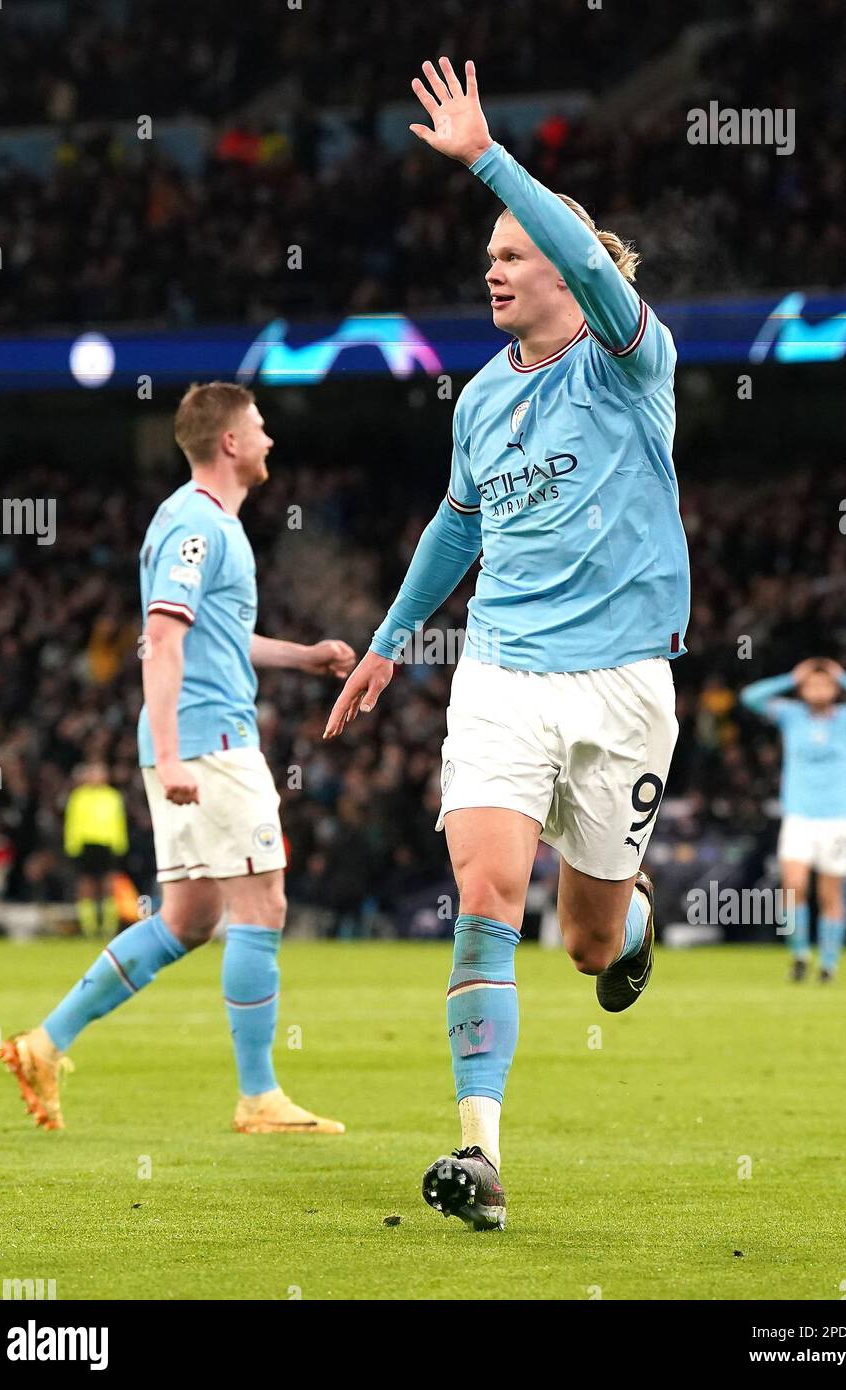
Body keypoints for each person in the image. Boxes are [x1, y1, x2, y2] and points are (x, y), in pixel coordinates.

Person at [325, 59, 689, 1230]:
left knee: (585, 943)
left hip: (622, 682)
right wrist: (389, 639)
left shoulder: (628, 362)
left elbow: (584, 254)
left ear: (566, 272)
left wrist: (486, 156)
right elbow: (456, 525)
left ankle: (631, 921)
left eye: (513, 253)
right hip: (499, 676)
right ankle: (477, 1151)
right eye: (487, 253)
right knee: (484, 894)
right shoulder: (478, 399)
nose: (492, 266)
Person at [0, 382, 356, 1134]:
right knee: (263, 903)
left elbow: (213, 637)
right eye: (258, 427)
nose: (268, 439)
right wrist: (171, 755)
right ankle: (258, 1097)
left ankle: (45, 1043)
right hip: (209, 743)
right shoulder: (199, 524)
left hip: (193, 740)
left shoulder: (196, 521)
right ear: (229, 441)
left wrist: (304, 656)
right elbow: (161, 639)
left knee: (190, 917)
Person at [739, 659, 846, 983]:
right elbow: (750, 696)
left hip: (837, 818)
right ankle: (799, 955)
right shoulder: (790, 715)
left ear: (835, 689)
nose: (818, 689)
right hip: (799, 815)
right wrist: (791, 676)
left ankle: (828, 964)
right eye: (811, 684)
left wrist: (843, 675)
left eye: (825, 684)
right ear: (802, 689)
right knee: (793, 887)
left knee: (829, 894)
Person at [62, 762, 128, 938]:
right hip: (85, 844)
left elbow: (119, 822)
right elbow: (71, 822)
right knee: (86, 886)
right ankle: (89, 928)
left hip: (107, 844)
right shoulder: (78, 796)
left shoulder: (113, 796)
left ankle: (108, 928)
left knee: (109, 886)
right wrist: (71, 845)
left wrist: (120, 844)